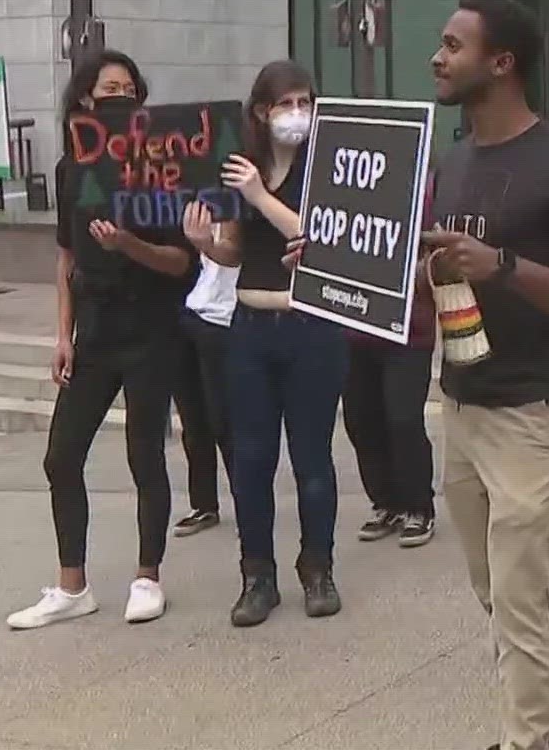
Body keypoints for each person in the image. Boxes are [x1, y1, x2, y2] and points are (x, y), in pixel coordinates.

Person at [421, 0, 549, 750]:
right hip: (461, 405)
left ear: (501, 63)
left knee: (520, 599)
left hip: (532, 417)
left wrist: (498, 264)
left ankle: (530, 741)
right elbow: (424, 273)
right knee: (494, 593)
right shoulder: (452, 160)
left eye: (451, 45)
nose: (437, 57)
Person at [7, 50, 191, 631]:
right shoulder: (71, 171)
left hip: (152, 329)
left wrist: (128, 246)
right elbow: (65, 257)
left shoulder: (161, 167)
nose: (117, 97)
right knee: (62, 456)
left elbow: (180, 262)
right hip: (96, 331)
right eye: (106, 89)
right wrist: (63, 333)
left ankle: (147, 575)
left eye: (128, 88)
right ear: (84, 100)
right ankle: (72, 585)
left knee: (144, 455)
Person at [184, 60, 349, 628]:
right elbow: (233, 250)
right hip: (251, 327)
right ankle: (257, 574)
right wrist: (206, 243)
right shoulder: (241, 169)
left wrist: (259, 196)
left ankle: (318, 566)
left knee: (312, 458)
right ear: (261, 110)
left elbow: (321, 234)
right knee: (251, 458)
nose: (296, 114)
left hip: (312, 327)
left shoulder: (324, 164)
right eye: (285, 104)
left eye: (305, 102)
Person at [343, 176, 441, 549]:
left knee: (402, 418)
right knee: (361, 418)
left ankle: (419, 506)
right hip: (354, 323)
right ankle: (385, 502)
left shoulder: (420, 186)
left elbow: (434, 245)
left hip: (407, 327)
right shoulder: (344, 189)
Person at [171, 231, 238, 537]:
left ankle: (248, 502)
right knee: (192, 418)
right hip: (190, 311)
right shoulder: (197, 205)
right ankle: (203, 504)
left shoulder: (245, 205)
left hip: (226, 319)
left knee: (224, 418)